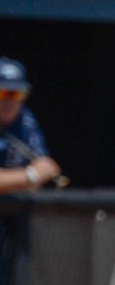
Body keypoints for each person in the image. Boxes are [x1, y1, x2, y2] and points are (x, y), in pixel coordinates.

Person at [0, 58, 63, 195]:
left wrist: (35, 176)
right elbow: (36, 174)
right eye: (2, 93)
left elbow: (43, 167)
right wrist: (30, 176)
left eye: (17, 94)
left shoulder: (25, 119)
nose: (9, 101)